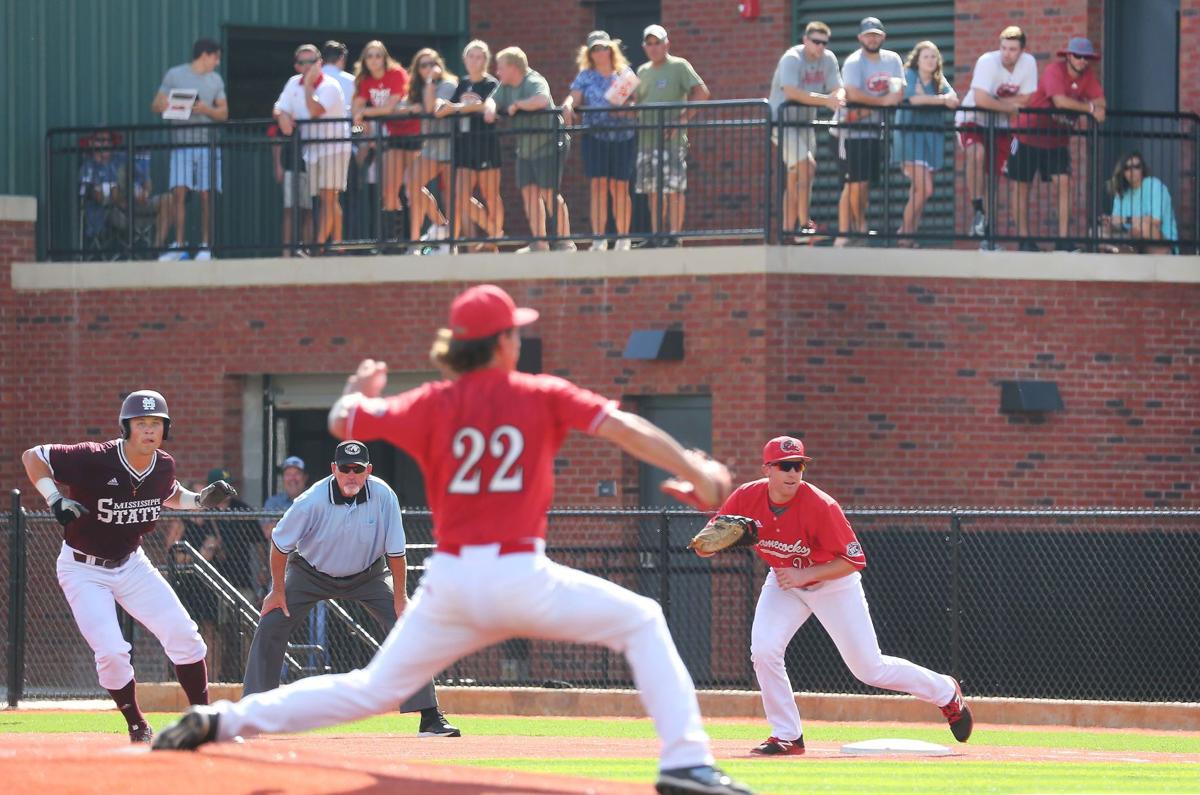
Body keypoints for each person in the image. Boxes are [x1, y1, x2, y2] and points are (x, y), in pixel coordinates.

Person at [152, 284, 753, 795]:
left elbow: (342, 421)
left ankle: (220, 720)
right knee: (642, 619)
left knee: (372, 689)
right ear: (500, 344)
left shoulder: (432, 402)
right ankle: (685, 762)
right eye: (513, 333)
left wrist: (359, 385)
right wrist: (697, 470)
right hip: (521, 577)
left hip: (454, 582)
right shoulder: (540, 392)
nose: (518, 340)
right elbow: (625, 426)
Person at [694, 436, 973, 756]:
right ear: (767, 469)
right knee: (764, 650)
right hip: (785, 583)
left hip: (832, 583)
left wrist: (805, 574)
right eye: (785, 465)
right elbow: (707, 542)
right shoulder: (747, 496)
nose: (793, 472)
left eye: (798, 465)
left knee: (870, 669)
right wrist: (710, 542)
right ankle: (787, 735)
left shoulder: (821, 505)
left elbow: (854, 560)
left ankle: (945, 692)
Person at [20, 390, 237, 743]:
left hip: (132, 564)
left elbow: (166, 492)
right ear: (126, 428)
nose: (149, 430)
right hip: (83, 569)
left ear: (165, 429)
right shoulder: (94, 458)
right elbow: (33, 456)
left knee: (185, 636)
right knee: (112, 652)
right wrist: (54, 497)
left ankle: (204, 720)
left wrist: (197, 501)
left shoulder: (163, 464)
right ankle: (137, 724)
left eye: (156, 424)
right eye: (141, 423)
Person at [239, 440, 459, 737]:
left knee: (408, 626)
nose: (351, 475)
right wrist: (277, 591)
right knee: (271, 623)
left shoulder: (384, 496)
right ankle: (253, 715)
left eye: (358, 469)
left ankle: (430, 718)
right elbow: (279, 545)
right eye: (345, 469)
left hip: (368, 574)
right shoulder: (310, 501)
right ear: (334, 470)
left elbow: (396, 552)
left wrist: (401, 598)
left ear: (369, 470)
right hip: (309, 573)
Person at [1010, 37, 1106, 252]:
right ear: (1069, 56)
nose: (1082, 61)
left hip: (1056, 139)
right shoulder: (1055, 70)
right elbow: (1060, 101)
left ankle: (1063, 240)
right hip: (1028, 133)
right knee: (1021, 186)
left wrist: (1093, 106)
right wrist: (1089, 109)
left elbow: (1102, 102)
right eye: (1078, 56)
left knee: (1064, 183)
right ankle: (1023, 240)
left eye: (1086, 57)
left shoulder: (1088, 77)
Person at [955, 26, 1037, 245]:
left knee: (994, 178)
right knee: (977, 153)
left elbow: (1027, 98)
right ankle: (978, 209)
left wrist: (996, 105)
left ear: (1021, 50)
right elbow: (980, 100)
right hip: (971, 117)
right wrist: (1010, 106)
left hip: (999, 125)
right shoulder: (987, 62)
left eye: (1012, 49)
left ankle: (987, 230)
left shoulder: (1028, 63)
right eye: (1003, 48)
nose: (1006, 53)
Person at [488, 47, 575, 253]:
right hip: (525, 148)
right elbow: (492, 99)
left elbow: (542, 100)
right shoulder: (505, 86)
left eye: (500, 68)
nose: (498, 72)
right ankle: (539, 242)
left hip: (548, 144)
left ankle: (565, 240)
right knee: (529, 193)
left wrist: (518, 105)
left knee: (549, 193)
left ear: (512, 67)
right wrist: (490, 109)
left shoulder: (534, 80)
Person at [151, 38, 227, 262]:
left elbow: (223, 113)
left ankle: (206, 246)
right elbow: (155, 105)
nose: (217, 62)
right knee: (179, 193)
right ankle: (179, 246)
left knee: (206, 194)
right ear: (205, 55)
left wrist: (205, 109)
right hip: (181, 144)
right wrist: (175, 105)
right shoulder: (175, 75)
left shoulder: (216, 80)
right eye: (216, 57)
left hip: (207, 144)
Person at [562, 30, 638, 252]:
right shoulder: (585, 75)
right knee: (598, 186)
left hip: (623, 137)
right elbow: (573, 97)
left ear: (611, 49)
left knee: (620, 187)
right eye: (595, 49)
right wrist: (567, 104)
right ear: (590, 53)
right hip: (595, 136)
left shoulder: (624, 73)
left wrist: (626, 110)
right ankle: (599, 238)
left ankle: (623, 238)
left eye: (603, 47)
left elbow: (636, 104)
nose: (600, 52)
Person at [768, 21, 844, 242]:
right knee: (807, 166)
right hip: (782, 123)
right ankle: (803, 226)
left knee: (798, 176)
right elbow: (792, 93)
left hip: (804, 124)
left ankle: (788, 231)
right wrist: (827, 101)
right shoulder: (792, 58)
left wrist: (837, 98)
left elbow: (837, 88)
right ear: (805, 40)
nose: (820, 46)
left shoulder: (828, 59)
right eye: (815, 41)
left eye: (824, 42)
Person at [634, 24, 710, 247]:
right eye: (649, 43)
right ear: (644, 47)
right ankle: (657, 236)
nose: (654, 47)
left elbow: (702, 92)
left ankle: (675, 236)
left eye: (658, 42)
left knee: (674, 189)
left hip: (672, 139)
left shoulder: (679, 66)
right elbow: (635, 104)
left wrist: (682, 120)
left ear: (667, 44)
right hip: (647, 140)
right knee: (653, 191)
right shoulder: (641, 71)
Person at [274, 44, 352, 253]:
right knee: (327, 197)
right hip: (312, 148)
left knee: (328, 195)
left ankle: (317, 249)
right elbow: (280, 107)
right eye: (302, 62)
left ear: (320, 63)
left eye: (311, 61)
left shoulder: (330, 85)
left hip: (334, 145)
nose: (307, 66)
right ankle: (337, 244)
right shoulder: (292, 83)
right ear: (296, 66)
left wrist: (308, 86)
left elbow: (315, 110)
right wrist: (282, 116)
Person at [836, 17, 904, 247]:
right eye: (868, 34)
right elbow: (852, 94)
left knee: (864, 183)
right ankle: (856, 229)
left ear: (883, 37)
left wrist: (878, 104)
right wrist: (882, 102)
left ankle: (852, 231)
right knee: (855, 182)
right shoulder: (854, 62)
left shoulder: (892, 59)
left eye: (876, 34)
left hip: (875, 131)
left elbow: (898, 93)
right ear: (859, 38)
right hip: (850, 130)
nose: (872, 38)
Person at [439, 40, 504, 251]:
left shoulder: (491, 84)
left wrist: (456, 108)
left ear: (486, 60)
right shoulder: (463, 83)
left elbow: (486, 105)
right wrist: (446, 107)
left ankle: (494, 241)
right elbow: (445, 109)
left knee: (490, 194)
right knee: (460, 197)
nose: (475, 60)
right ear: (464, 59)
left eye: (479, 57)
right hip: (464, 145)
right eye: (471, 56)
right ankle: (461, 242)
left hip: (485, 144)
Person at [352, 41, 419, 246]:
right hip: (393, 137)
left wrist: (365, 113)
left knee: (415, 190)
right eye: (369, 56)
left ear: (385, 58)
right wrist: (361, 119)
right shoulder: (364, 80)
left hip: (413, 132)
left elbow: (389, 108)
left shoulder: (397, 73)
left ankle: (436, 228)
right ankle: (394, 242)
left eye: (378, 55)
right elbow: (356, 115)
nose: (374, 60)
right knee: (389, 191)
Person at [891, 41, 957, 247]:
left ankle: (910, 235)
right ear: (917, 60)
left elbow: (954, 100)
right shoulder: (909, 75)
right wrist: (939, 100)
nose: (930, 60)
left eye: (934, 57)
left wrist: (932, 97)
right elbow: (914, 100)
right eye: (926, 56)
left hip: (930, 139)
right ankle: (904, 231)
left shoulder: (939, 80)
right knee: (926, 189)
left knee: (918, 191)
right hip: (909, 136)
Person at [405, 49, 457, 250]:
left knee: (456, 197)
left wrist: (429, 82)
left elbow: (431, 109)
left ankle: (464, 242)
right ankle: (431, 231)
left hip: (450, 144)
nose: (427, 69)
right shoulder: (416, 87)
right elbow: (404, 106)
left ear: (439, 65)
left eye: (431, 64)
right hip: (432, 146)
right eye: (423, 65)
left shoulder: (447, 84)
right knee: (412, 184)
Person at [1101, 151, 1177, 255]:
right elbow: (1117, 224)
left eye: (1136, 166)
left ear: (1142, 169)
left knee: (1143, 227)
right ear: (1122, 172)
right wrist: (1109, 223)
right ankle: (1124, 253)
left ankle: (1126, 252)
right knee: (1099, 232)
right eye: (1127, 168)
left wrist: (1124, 220)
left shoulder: (1154, 186)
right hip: (1132, 240)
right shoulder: (1121, 193)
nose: (1132, 171)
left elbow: (1156, 220)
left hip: (1162, 245)